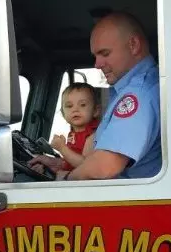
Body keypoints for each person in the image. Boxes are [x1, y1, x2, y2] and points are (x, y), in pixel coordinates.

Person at [28, 12, 161, 180]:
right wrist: (58, 164)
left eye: (105, 53)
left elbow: (105, 166)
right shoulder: (135, 88)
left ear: (133, 45)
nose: (97, 64)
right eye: (95, 56)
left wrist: (65, 179)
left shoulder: (138, 94)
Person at [51, 83, 101, 171]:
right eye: (69, 106)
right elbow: (70, 163)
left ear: (95, 111)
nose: (75, 110)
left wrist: (62, 148)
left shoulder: (93, 135)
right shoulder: (73, 133)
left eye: (82, 105)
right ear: (63, 113)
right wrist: (49, 165)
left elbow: (85, 166)